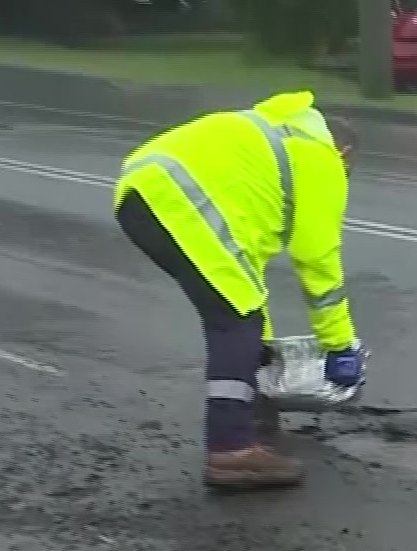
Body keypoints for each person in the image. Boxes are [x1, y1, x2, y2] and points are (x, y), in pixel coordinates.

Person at [114, 91, 365, 491]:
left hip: (140, 193)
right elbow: (319, 262)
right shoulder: (320, 157)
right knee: (235, 324)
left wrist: (261, 349)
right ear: (345, 153)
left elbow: (246, 277)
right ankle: (231, 450)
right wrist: (339, 346)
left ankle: (255, 411)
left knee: (237, 309)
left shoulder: (270, 135)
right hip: (177, 203)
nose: (346, 177)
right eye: (349, 169)